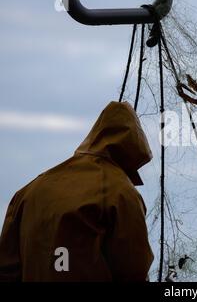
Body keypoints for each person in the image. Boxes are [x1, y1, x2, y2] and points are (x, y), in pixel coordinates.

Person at [0, 102, 154, 282]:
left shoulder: (29, 191)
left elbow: (6, 269)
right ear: (135, 146)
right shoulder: (121, 193)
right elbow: (134, 271)